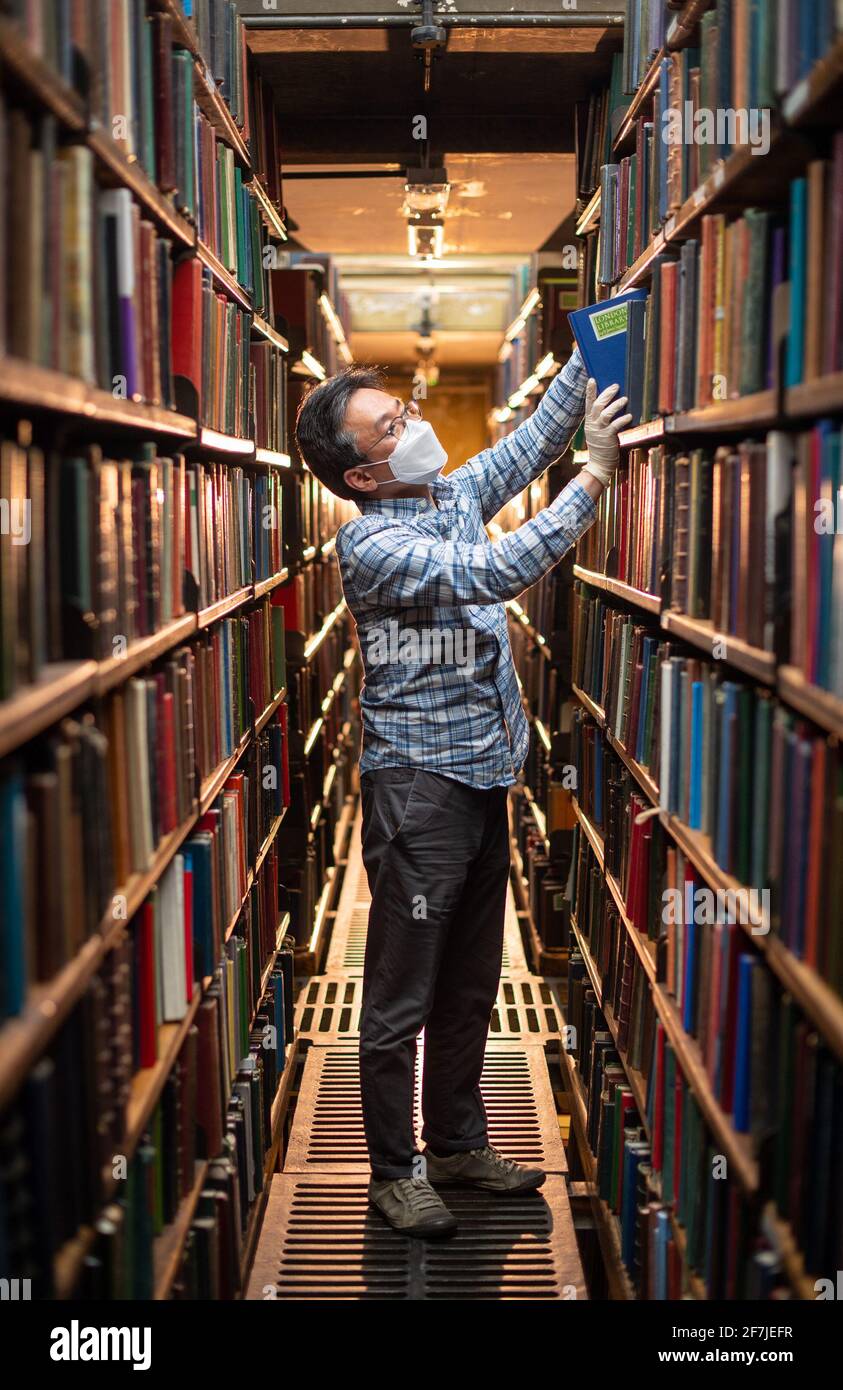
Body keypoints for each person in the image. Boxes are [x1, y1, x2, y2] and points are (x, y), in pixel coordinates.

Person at [295, 348, 631, 1237]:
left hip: (486, 774)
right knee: (402, 994)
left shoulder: (446, 494)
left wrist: (596, 341)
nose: (413, 428)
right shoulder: (371, 543)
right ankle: (393, 1172)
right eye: (390, 428)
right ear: (362, 474)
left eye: (404, 411)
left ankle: (454, 1145)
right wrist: (593, 480)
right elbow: (493, 572)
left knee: (471, 985)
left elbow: (527, 446)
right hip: (419, 792)